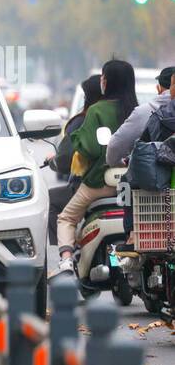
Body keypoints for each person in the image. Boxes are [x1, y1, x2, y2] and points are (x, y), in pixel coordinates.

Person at [55, 59, 138, 274]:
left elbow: (90, 149)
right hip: (135, 184)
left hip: (99, 183)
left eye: (103, 77)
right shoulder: (138, 110)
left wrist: (78, 139)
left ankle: (66, 259)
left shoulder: (97, 110)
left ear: (107, 82)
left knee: (66, 218)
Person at [45, 74, 102, 246]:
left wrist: (52, 161)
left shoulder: (83, 121)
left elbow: (64, 160)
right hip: (122, 188)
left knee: (53, 202)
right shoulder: (126, 114)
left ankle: (66, 255)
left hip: (90, 186)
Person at [106, 65, 174, 166]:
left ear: (159, 88)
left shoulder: (147, 113)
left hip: (154, 177)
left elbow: (116, 146)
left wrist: (121, 164)